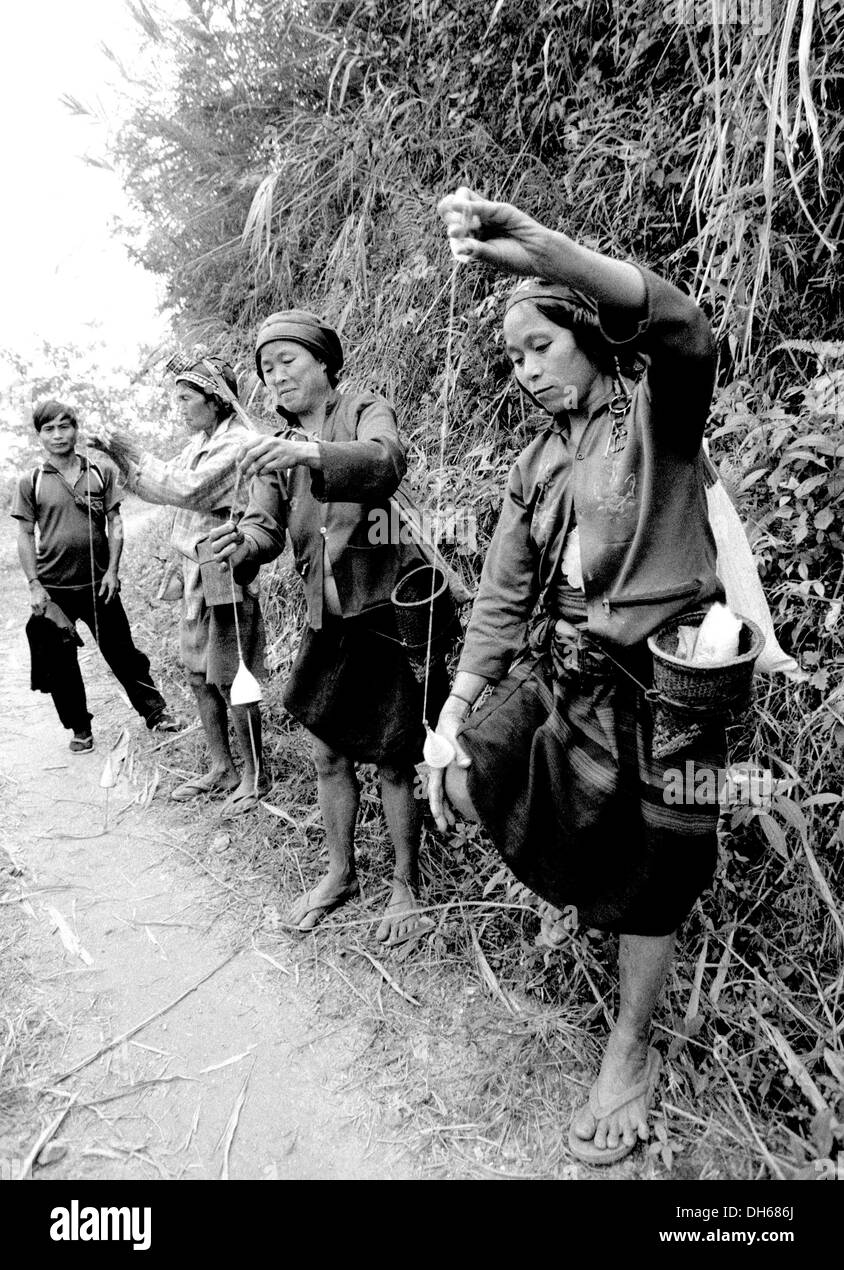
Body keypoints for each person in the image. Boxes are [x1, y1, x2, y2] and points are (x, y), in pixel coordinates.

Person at [428, 188, 730, 1164]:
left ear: (588, 338)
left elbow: (684, 328)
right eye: (510, 360)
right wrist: (454, 711)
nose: (524, 374)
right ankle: (586, 900)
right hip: (566, 674)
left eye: (539, 349)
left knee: (656, 873)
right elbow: (499, 599)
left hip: (669, 681)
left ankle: (631, 1048)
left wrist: (545, 252)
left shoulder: (656, 414)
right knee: (466, 770)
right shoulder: (534, 460)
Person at [210, 311, 444, 944]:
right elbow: (264, 526)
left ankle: (404, 884)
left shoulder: (364, 408)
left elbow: (383, 462)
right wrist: (241, 545)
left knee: (395, 759)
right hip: (328, 615)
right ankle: (340, 871)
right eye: (266, 368)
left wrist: (306, 452)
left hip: (390, 607)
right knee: (328, 750)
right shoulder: (271, 452)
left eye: (287, 360)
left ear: (322, 364)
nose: (276, 375)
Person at [94, 358, 269, 810]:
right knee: (198, 677)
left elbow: (186, 489)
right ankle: (222, 768)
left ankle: (254, 774)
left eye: (186, 398)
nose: (180, 408)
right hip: (195, 573)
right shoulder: (200, 443)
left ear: (214, 400)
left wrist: (128, 449)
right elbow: (161, 486)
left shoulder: (239, 444)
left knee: (233, 678)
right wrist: (122, 455)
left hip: (226, 569)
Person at [12, 399, 179, 753]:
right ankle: (80, 728)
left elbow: (116, 522)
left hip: (99, 584)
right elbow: (25, 534)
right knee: (60, 664)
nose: (58, 435)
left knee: (122, 652)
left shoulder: (100, 472)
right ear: (39, 435)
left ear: (76, 428)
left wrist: (113, 571)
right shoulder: (32, 481)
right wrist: (34, 585)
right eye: (49, 429)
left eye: (64, 426)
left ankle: (155, 713)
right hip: (54, 590)